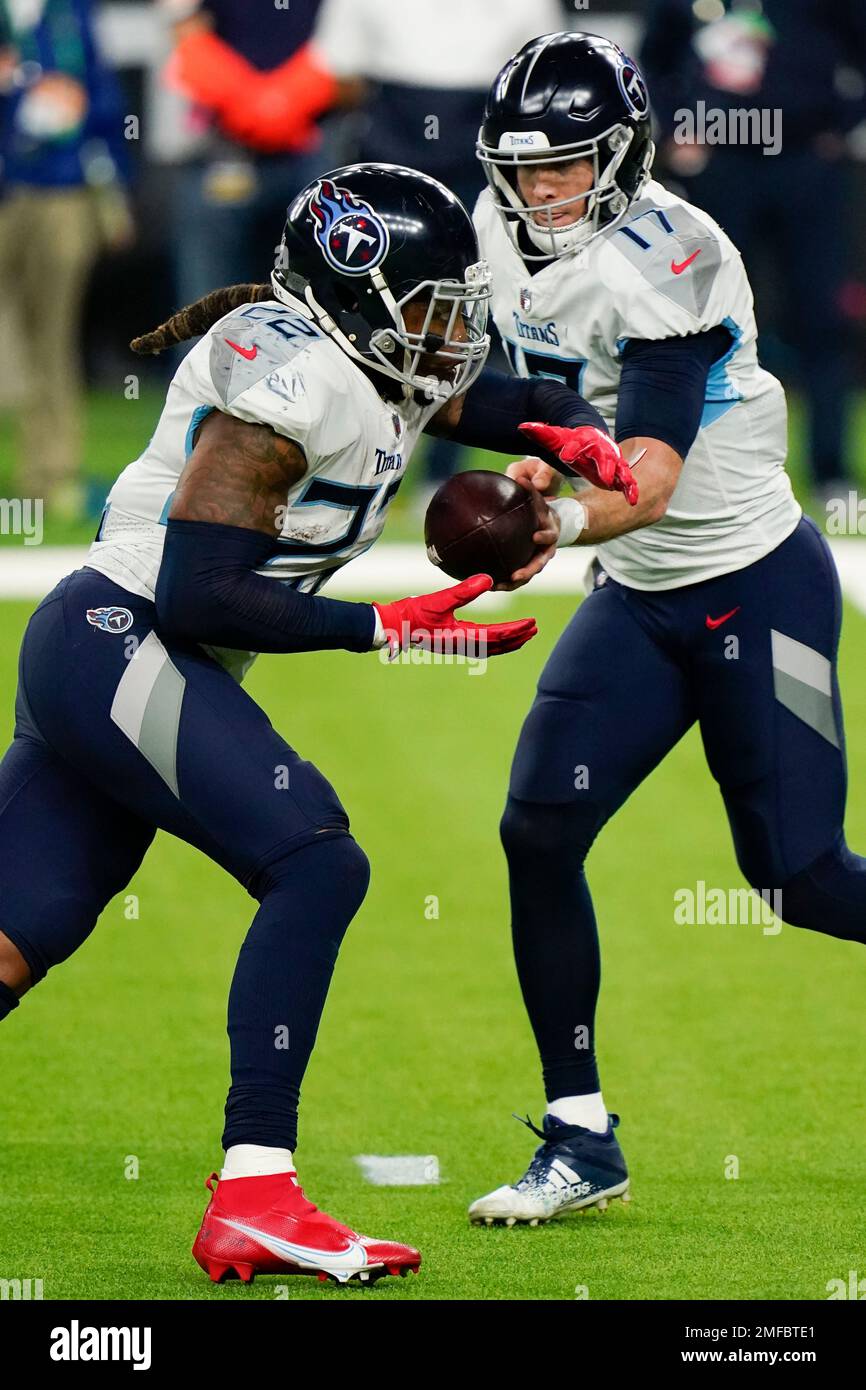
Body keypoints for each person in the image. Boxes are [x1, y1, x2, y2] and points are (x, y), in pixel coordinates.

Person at [0, 160, 630, 1284]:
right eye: (431, 311)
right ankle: (254, 1192)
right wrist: (388, 624)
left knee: (14, 938)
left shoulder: (360, 356)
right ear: (353, 298)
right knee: (316, 861)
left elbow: (464, 395)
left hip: (113, 656)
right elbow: (199, 592)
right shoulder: (288, 382)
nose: (451, 335)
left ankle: (257, 1193)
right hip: (123, 640)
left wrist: (569, 424)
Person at [465, 32, 866, 1227]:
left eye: (564, 167)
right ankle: (580, 1136)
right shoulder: (498, 237)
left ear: (623, 155)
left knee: (795, 878)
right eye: (520, 168)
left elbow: (646, 470)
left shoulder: (670, 254)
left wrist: (542, 522)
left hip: (753, 587)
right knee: (536, 830)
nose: (538, 191)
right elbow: (495, 382)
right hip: (641, 601)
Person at [641, 0, 866, 508]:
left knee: (822, 320)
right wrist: (678, 126)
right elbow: (653, 57)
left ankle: (830, 471)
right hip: (721, 166)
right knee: (705, 321)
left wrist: (840, 121)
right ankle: (699, 469)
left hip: (808, 159)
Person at [0, 0, 131, 516]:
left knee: (53, 334)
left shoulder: (72, 11)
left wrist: (116, 186)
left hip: (63, 188)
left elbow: (106, 98)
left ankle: (49, 474)